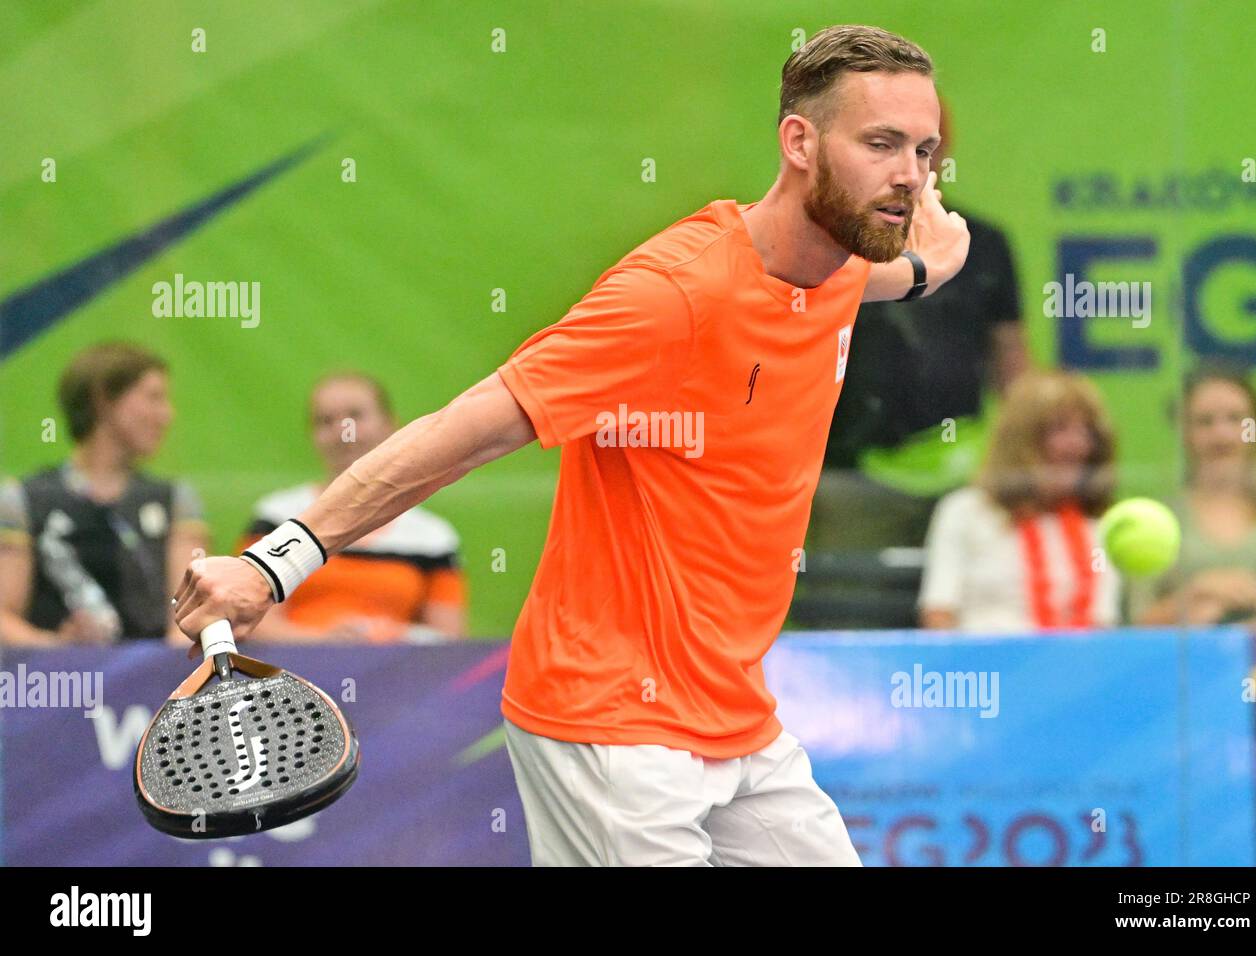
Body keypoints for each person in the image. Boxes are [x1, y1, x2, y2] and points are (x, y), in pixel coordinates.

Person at [171, 24, 970, 866]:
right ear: (800, 142)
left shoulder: (839, 263)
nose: (910, 175)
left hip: (737, 720)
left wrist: (929, 270)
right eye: (881, 144)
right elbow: (462, 433)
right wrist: (274, 565)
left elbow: (868, 277)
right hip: (610, 724)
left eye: (923, 150)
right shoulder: (671, 299)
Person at [817, 99, 1029, 553]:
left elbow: (1013, 370)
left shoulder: (984, 244)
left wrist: (1022, 466)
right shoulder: (830, 245)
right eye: (886, 146)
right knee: (846, 613)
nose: (908, 166)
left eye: (923, 148)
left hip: (964, 478)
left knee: (969, 612)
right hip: (849, 478)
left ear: (942, 150)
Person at [0, 342, 207, 647]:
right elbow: (4, 616)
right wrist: (57, 646)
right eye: (153, 398)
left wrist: (156, 672)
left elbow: (192, 618)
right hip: (59, 685)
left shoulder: (176, 500)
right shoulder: (23, 500)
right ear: (103, 399)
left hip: (153, 685)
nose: (167, 414)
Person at [241, 372, 467, 642]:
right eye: (326, 421)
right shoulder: (276, 517)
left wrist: (395, 637)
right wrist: (327, 643)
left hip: (395, 677)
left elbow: (449, 644)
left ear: (391, 425)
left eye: (355, 416)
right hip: (296, 674)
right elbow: (251, 625)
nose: (342, 431)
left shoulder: (433, 536)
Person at [919, 370, 1121, 632]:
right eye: (1060, 429)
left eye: (1087, 432)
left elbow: (1102, 627)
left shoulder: (1100, 527)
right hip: (982, 667)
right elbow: (939, 615)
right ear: (1021, 440)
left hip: (1073, 669)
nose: (1078, 445)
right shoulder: (964, 511)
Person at [1134, 366, 1256, 630]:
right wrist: (1197, 592)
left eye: (1236, 419)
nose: (1221, 435)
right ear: (1185, 434)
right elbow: (1132, 622)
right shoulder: (1159, 518)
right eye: (1205, 422)